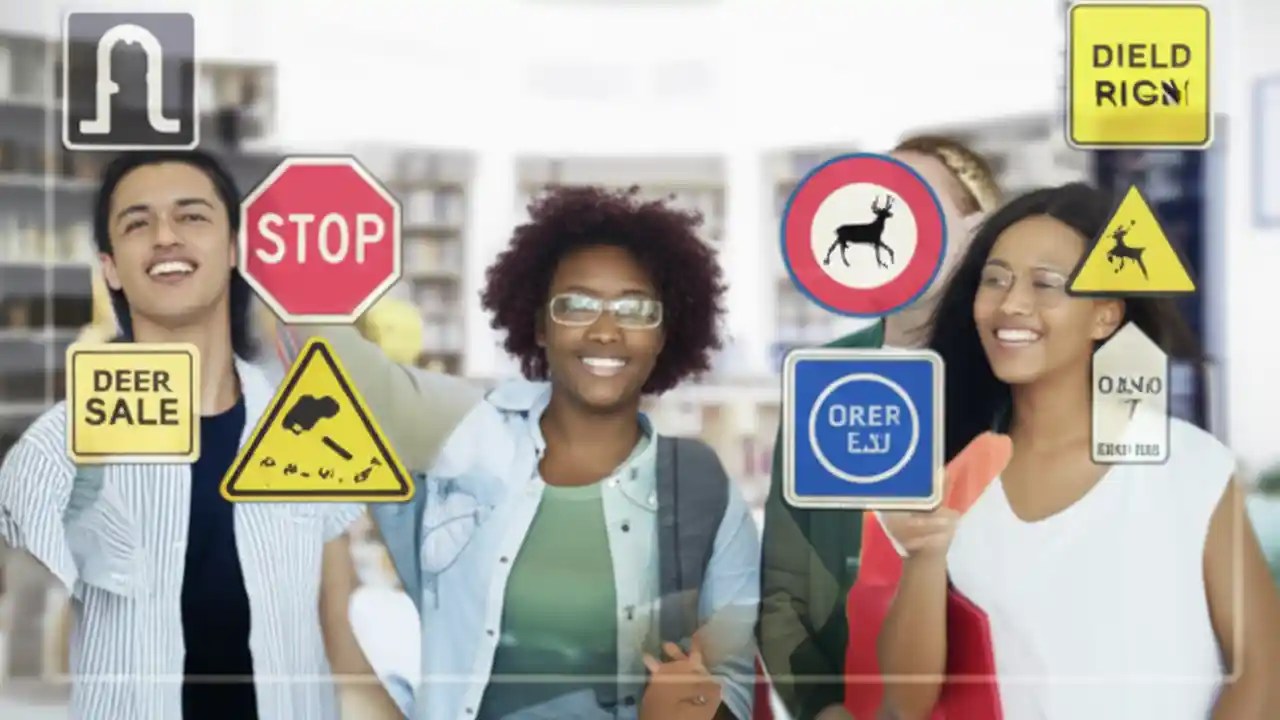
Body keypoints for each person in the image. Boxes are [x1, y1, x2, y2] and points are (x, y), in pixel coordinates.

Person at [276, 185, 760, 720]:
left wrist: (695, 709)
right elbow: (328, 359)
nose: (605, 330)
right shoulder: (465, 434)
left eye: (635, 308)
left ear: (665, 334)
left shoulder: (701, 490)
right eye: (575, 304)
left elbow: (733, 683)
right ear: (538, 324)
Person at [0, 150, 398, 720]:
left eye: (192, 216)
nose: (165, 235)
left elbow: (341, 649)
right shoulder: (61, 443)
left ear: (233, 250)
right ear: (110, 267)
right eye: (138, 223)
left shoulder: (303, 420)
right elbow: (35, 659)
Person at [877, 183, 1280, 719]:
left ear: (1106, 316)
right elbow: (907, 701)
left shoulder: (1190, 466)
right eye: (994, 280)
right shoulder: (947, 480)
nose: (1012, 303)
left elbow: (1262, 670)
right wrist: (924, 557)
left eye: (1047, 284)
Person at [757, 135, 1003, 720]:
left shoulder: (1016, 373)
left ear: (980, 227)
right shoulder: (826, 378)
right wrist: (821, 706)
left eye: (919, 201)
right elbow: (787, 579)